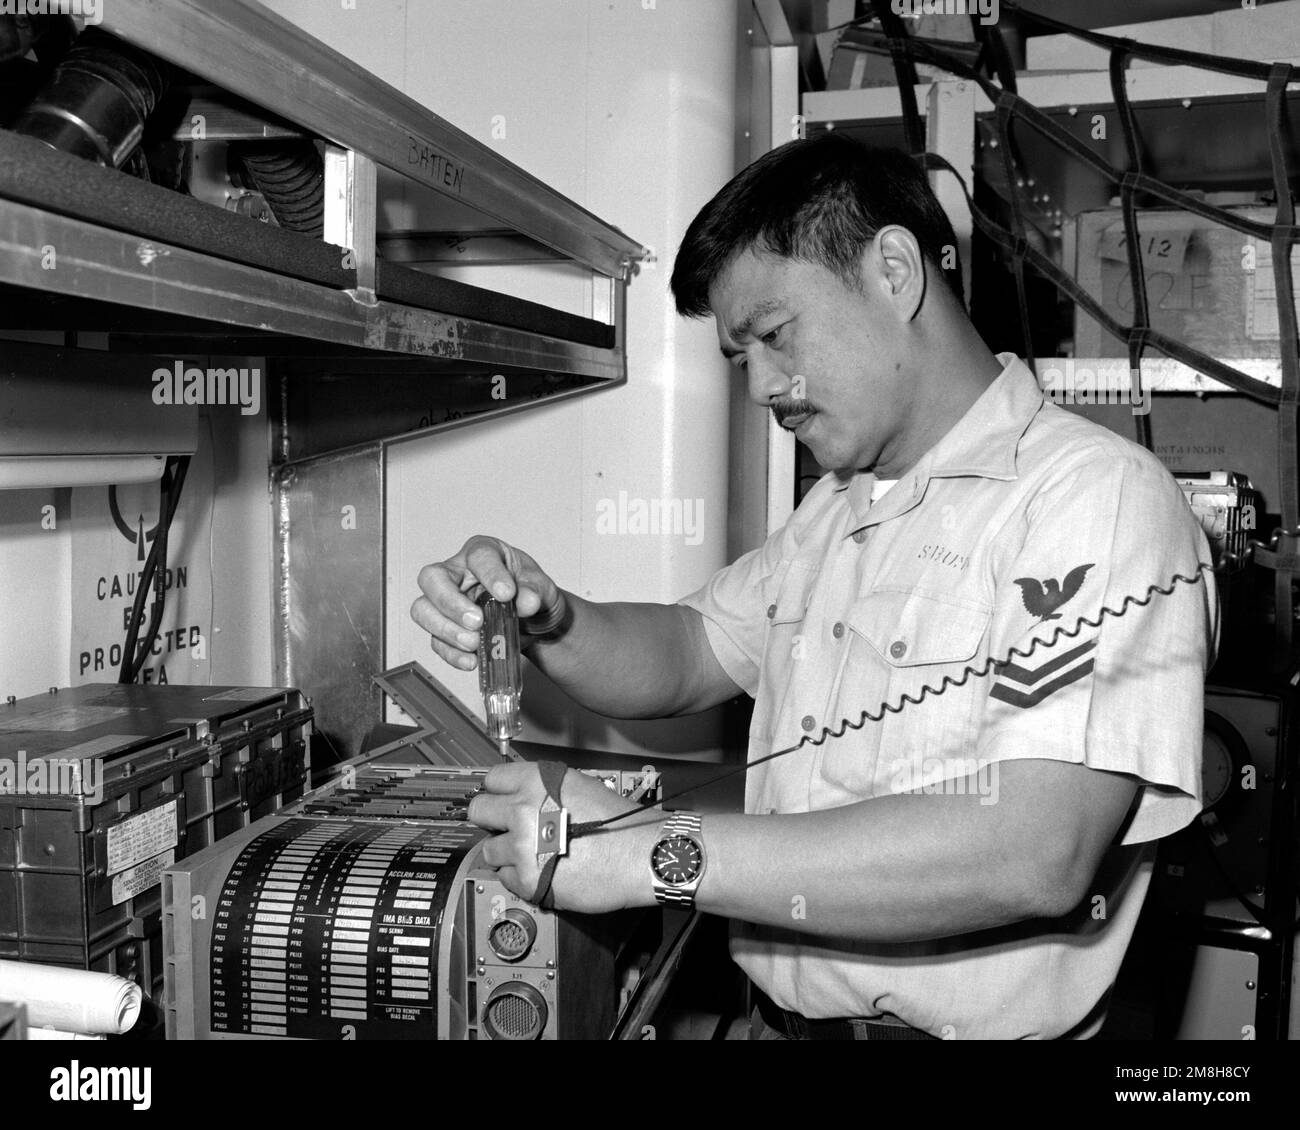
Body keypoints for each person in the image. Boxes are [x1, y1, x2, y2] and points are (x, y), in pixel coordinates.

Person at [410, 134, 1217, 1040]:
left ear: (895, 271)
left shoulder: (1092, 500)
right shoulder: (840, 509)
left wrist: (648, 853)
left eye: (774, 334)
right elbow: (684, 652)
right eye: (737, 357)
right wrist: (546, 616)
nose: (760, 387)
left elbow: (1032, 849)